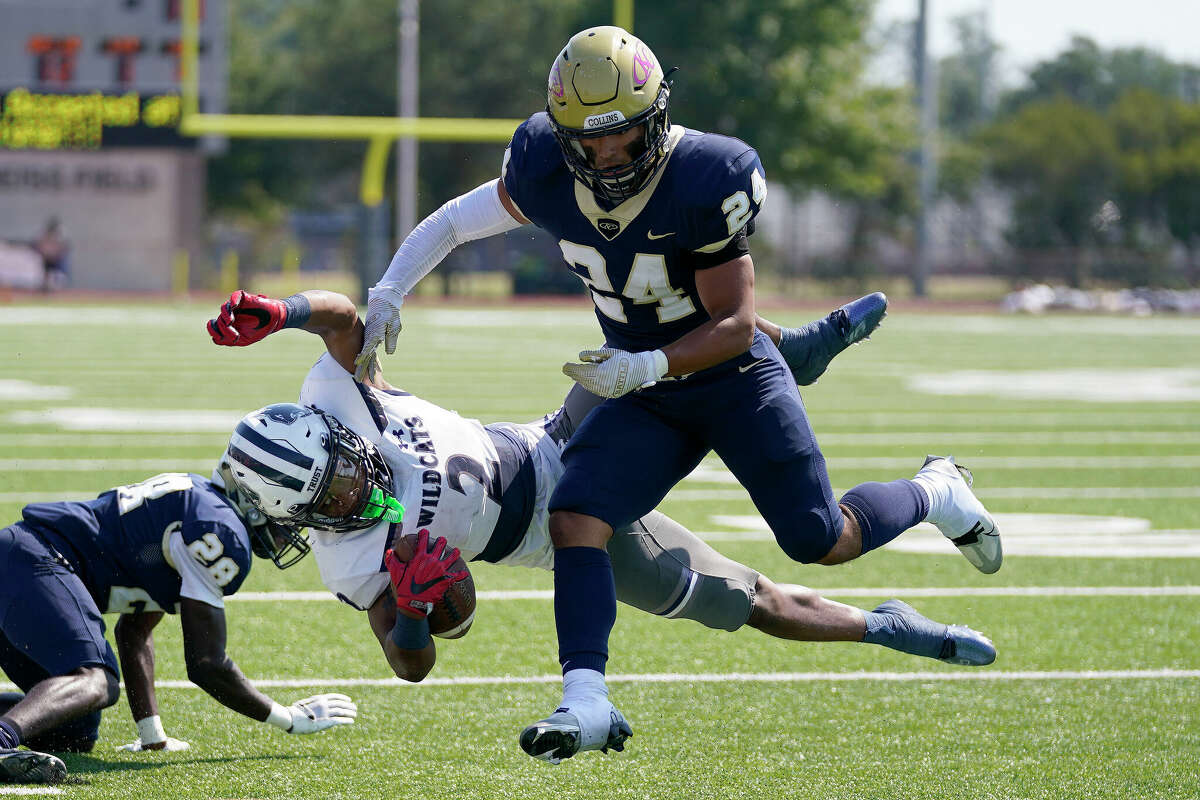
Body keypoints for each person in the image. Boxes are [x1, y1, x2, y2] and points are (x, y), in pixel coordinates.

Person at [348, 26, 1002, 763]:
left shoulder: (706, 175)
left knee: (821, 540)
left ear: (655, 116)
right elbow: (454, 222)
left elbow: (734, 324)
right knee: (575, 515)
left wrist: (645, 365)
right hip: (647, 389)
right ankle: (586, 698)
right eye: (588, 140)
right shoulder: (542, 166)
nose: (607, 154)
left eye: (622, 133)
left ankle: (937, 490)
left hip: (730, 378)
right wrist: (390, 289)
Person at [207, 288, 996, 764]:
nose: (357, 480)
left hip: (558, 438)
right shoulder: (352, 562)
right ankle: (887, 622)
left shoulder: (340, 398)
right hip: (569, 536)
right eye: (336, 493)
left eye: (344, 463)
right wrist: (414, 613)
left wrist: (282, 312)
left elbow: (344, 317)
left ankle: (797, 350)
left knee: (651, 328)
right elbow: (412, 661)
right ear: (304, 515)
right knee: (758, 603)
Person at [0, 467, 358, 785]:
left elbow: (134, 630)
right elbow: (207, 664)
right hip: (36, 558)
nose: (292, 527)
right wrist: (288, 718)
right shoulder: (220, 532)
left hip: (22, 558)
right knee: (95, 681)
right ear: (258, 498)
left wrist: (151, 735)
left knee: (74, 730)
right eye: (288, 512)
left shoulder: (203, 507)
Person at [33, 218, 68, 293]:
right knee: (46, 274)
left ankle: (55, 287)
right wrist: (46, 253)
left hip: (56, 259)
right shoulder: (44, 234)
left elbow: (63, 247)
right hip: (47, 258)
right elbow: (39, 246)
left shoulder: (60, 236)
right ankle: (46, 287)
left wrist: (55, 254)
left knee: (57, 275)